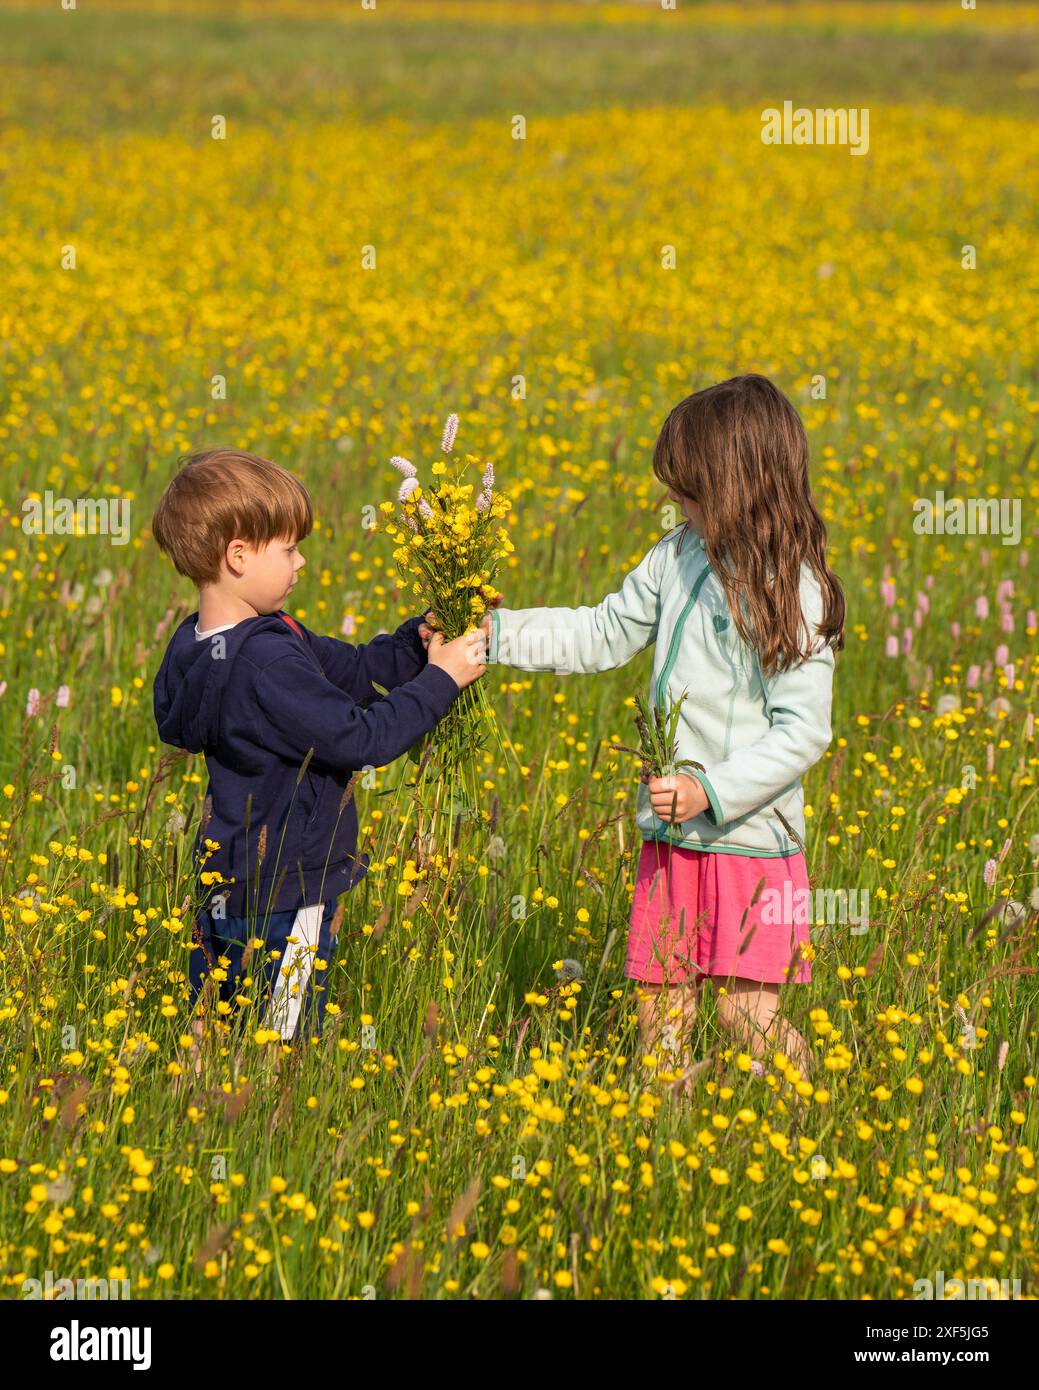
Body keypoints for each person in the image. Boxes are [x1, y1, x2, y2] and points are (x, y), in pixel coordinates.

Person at [481, 375, 844, 1090]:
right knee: (659, 1003)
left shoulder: (790, 589)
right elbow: (600, 632)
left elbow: (803, 733)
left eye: (686, 489)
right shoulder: (675, 556)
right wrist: (493, 635)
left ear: (736, 485)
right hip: (672, 838)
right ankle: (656, 1137)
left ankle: (827, 1108)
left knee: (746, 1014)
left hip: (750, 841)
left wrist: (710, 789)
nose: (672, 502)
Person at [152, 448, 486, 1050]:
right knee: (284, 1039)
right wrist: (444, 678)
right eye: (288, 549)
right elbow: (364, 738)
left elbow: (355, 670)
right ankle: (264, 1135)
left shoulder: (203, 645)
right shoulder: (267, 659)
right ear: (238, 555)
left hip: (224, 878)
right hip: (291, 883)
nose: (301, 562)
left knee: (217, 1024)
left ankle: (193, 1110)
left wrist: (419, 641)